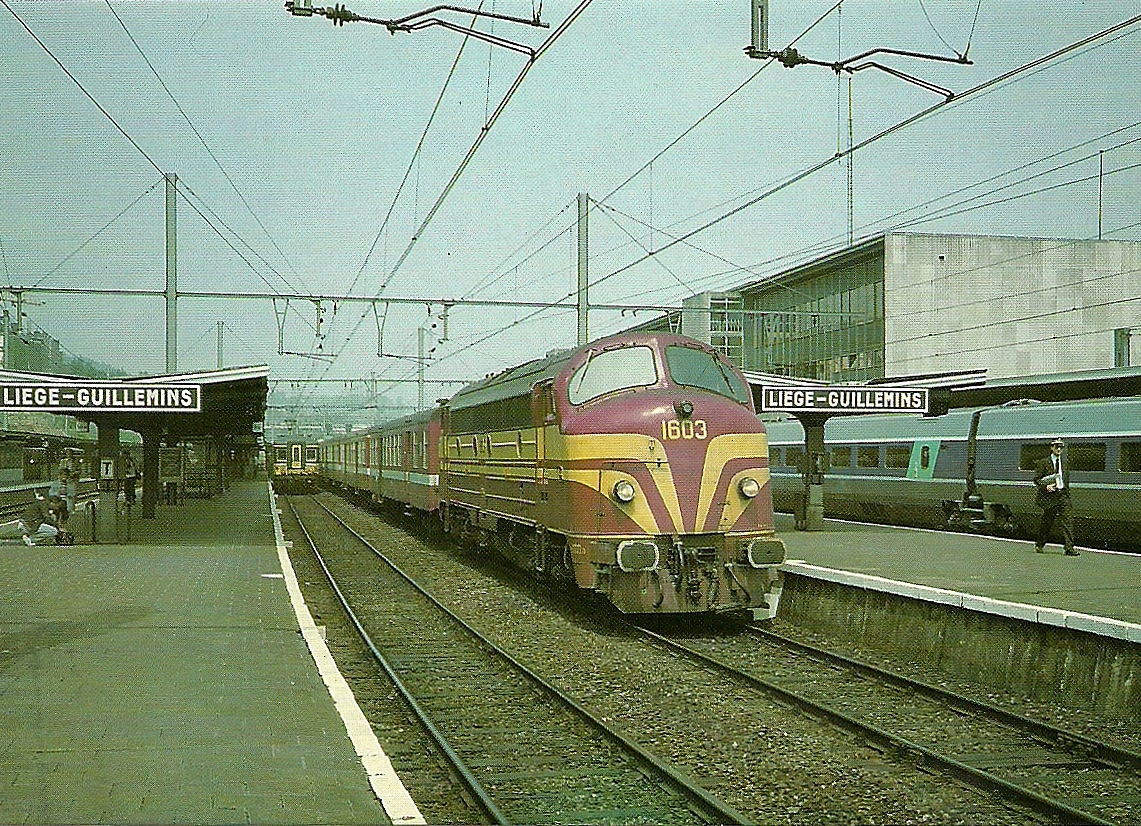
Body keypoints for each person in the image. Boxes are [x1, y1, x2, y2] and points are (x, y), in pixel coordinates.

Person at [1033, 438, 1077, 556]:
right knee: (1047, 522)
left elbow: (1065, 480)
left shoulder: (1065, 463)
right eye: (1056, 446)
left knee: (1067, 521)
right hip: (1050, 496)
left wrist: (1066, 494)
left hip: (1062, 495)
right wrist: (1045, 487)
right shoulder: (1043, 463)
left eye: (1060, 447)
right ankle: (1040, 544)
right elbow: (1036, 480)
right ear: (1051, 448)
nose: (1058, 449)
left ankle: (1069, 548)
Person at [0, 493, 67, 546]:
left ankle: (28, 536)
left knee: (49, 528)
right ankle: (31, 538)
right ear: (52, 502)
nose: (57, 508)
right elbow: (47, 518)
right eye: (57, 506)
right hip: (29, 525)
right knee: (54, 531)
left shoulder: (41, 503)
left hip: (24, 523)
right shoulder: (44, 505)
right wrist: (58, 527)